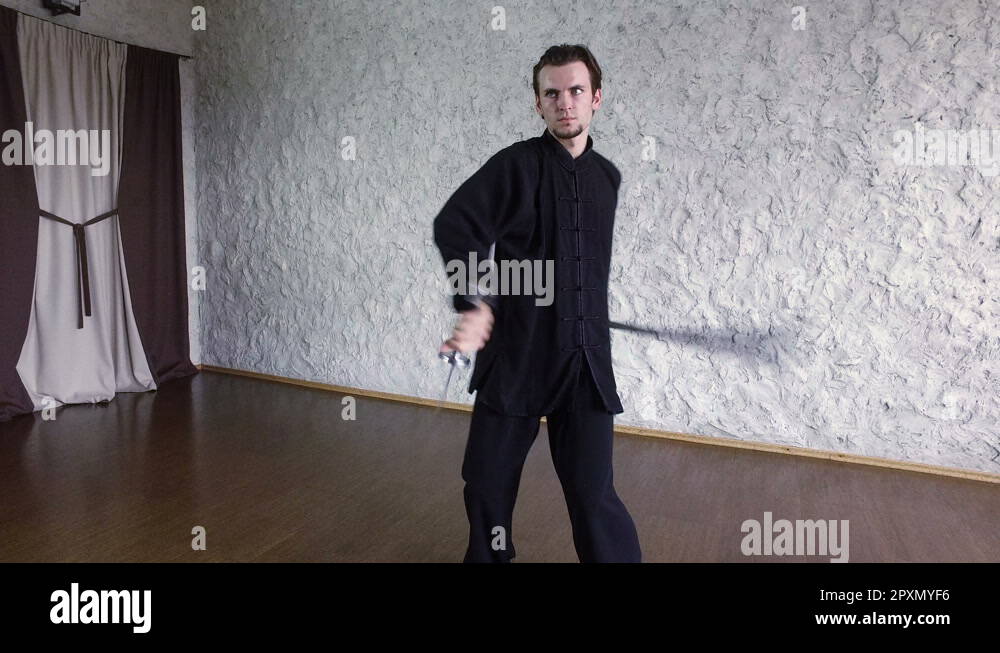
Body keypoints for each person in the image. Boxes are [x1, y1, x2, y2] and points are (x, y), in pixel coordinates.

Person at [432, 44, 641, 563]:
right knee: (485, 486)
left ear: (597, 98)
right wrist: (475, 304)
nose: (564, 102)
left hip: (583, 359)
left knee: (594, 495)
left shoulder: (607, 180)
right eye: (552, 93)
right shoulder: (514, 167)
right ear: (538, 103)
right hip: (518, 356)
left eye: (575, 91)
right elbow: (457, 225)